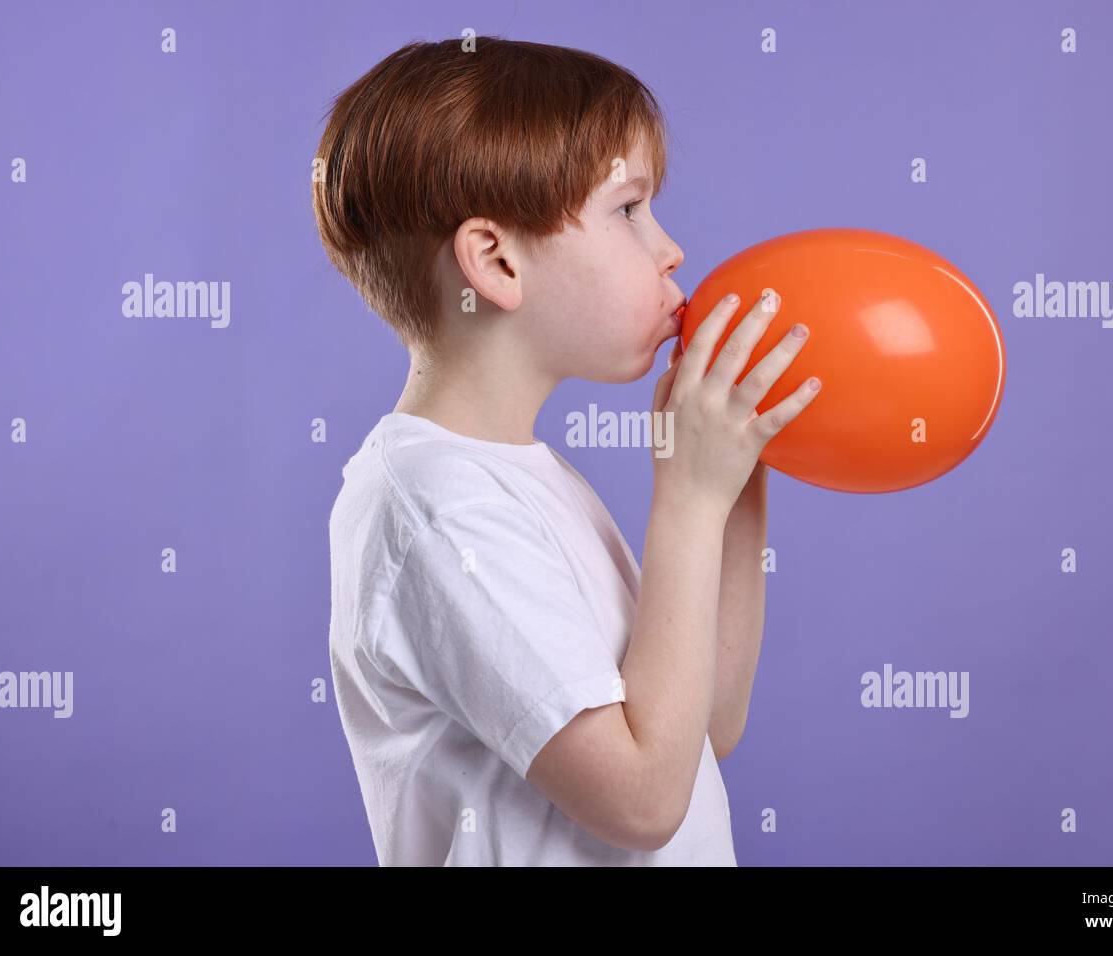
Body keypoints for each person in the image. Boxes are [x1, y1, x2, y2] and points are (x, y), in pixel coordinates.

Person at [316, 36, 819, 866]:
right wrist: (691, 498)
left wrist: (735, 479)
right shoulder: (437, 509)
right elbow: (643, 800)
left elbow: (706, 725)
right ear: (496, 262)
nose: (670, 249)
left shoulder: (523, 477)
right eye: (628, 210)